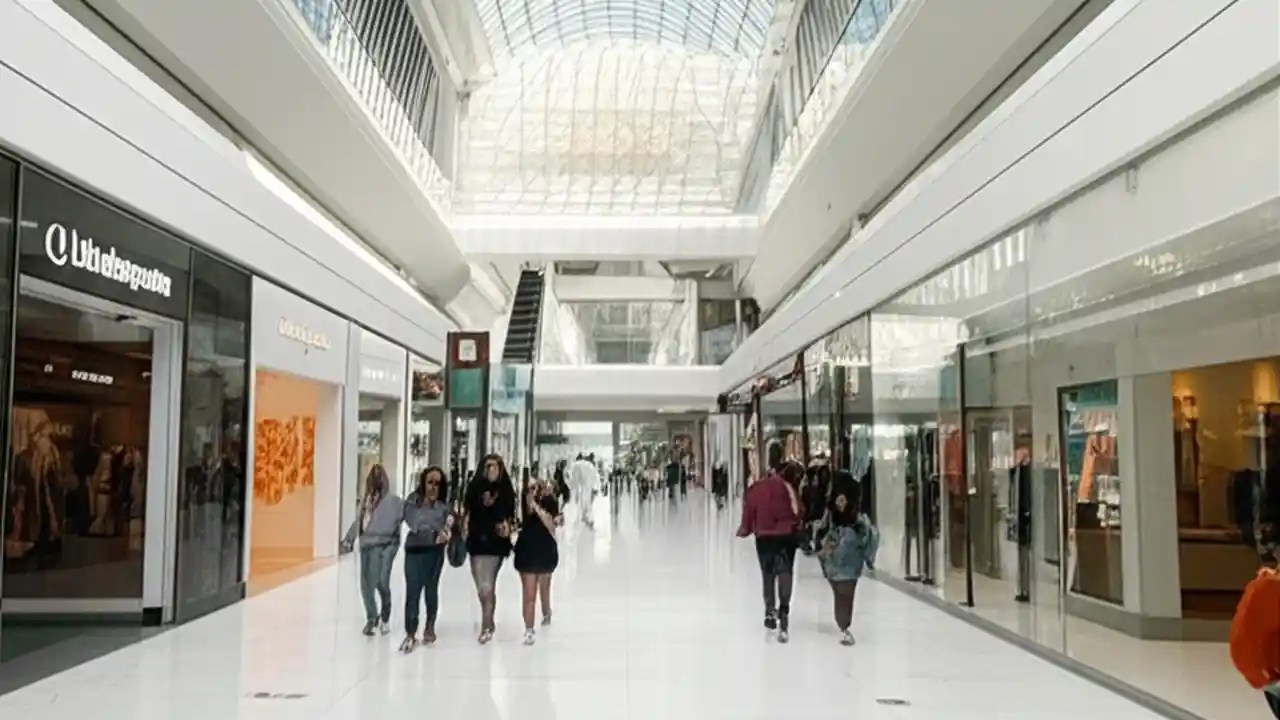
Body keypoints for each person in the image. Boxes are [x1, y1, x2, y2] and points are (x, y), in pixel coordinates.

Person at [737, 461, 802, 642]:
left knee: (768, 573)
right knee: (785, 572)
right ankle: (784, 610)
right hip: (786, 537)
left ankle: (769, 610)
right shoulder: (787, 487)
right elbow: (797, 512)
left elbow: (748, 512)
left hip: (764, 537)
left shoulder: (755, 489)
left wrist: (745, 529)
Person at [342, 464, 404, 637]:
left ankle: (384, 616)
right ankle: (372, 618)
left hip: (384, 545)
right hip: (366, 545)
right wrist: (349, 539)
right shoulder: (366, 500)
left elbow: (401, 519)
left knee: (380, 582)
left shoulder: (393, 502)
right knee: (366, 585)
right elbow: (359, 521)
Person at [817, 475, 879, 646]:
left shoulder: (858, 524)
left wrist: (868, 558)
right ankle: (843, 624)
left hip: (847, 567)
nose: (840, 502)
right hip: (835, 566)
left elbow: (869, 541)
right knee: (842, 595)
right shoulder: (835, 520)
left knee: (844, 595)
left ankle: (844, 625)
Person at [464, 454, 517, 644]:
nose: (491, 470)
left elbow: (510, 514)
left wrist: (501, 517)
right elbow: (468, 509)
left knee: (488, 585)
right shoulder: (474, 488)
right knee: (482, 588)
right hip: (477, 542)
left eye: (494, 467)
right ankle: (489, 617)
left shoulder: (506, 490)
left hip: (496, 544)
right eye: (487, 467)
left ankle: (486, 624)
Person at [400, 466, 452, 652]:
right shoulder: (412, 502)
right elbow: (412, 522)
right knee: (412, 591)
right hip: (414, 550)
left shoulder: (444, 507)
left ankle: (430, 626)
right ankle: (410, 632)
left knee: (431, 589)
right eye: (430, 482)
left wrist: (445, 533)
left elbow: (449, 527)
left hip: (434, 552)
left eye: (437, 484)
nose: (433, 487)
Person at [514, 479, 561, 645]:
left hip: (545, 551)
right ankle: (529, 629)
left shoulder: (549, 502)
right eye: (529, 489)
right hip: (527, 551)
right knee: (529, 593)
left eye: (535, 488)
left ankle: (546, 611)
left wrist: (537, 507)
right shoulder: (522, 507)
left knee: (545, 586)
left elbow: (552, 524)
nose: (532, 492)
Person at [569, 453, 599, 528]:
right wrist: (596, 488)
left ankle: (583, 517)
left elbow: (573, 477)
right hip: (589, 486)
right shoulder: (590, 465)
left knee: (581, 502)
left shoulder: (576, 465)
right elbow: (595, 476)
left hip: (582, 486)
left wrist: (573, 486)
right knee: (588, 503)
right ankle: (588, 518)